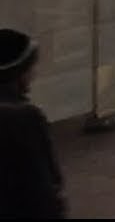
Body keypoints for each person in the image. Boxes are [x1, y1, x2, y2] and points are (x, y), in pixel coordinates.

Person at [0, 29, 66, 219]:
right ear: (18, 73)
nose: (33, 74)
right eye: (30, 68)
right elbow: (41, 187)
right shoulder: (23, 118)